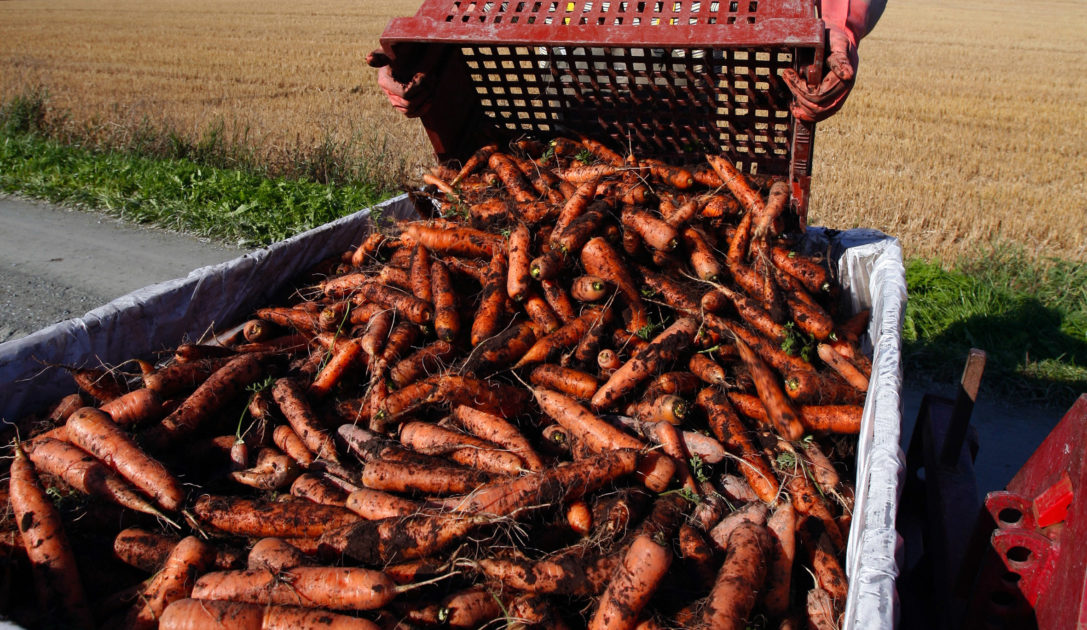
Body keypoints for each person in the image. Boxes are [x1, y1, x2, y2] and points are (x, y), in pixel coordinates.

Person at [369, 0, 886, 124]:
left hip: (692, 36)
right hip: (566, 37)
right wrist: (429, 34)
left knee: (687, 187)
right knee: (572, 163)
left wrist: (840, 24)